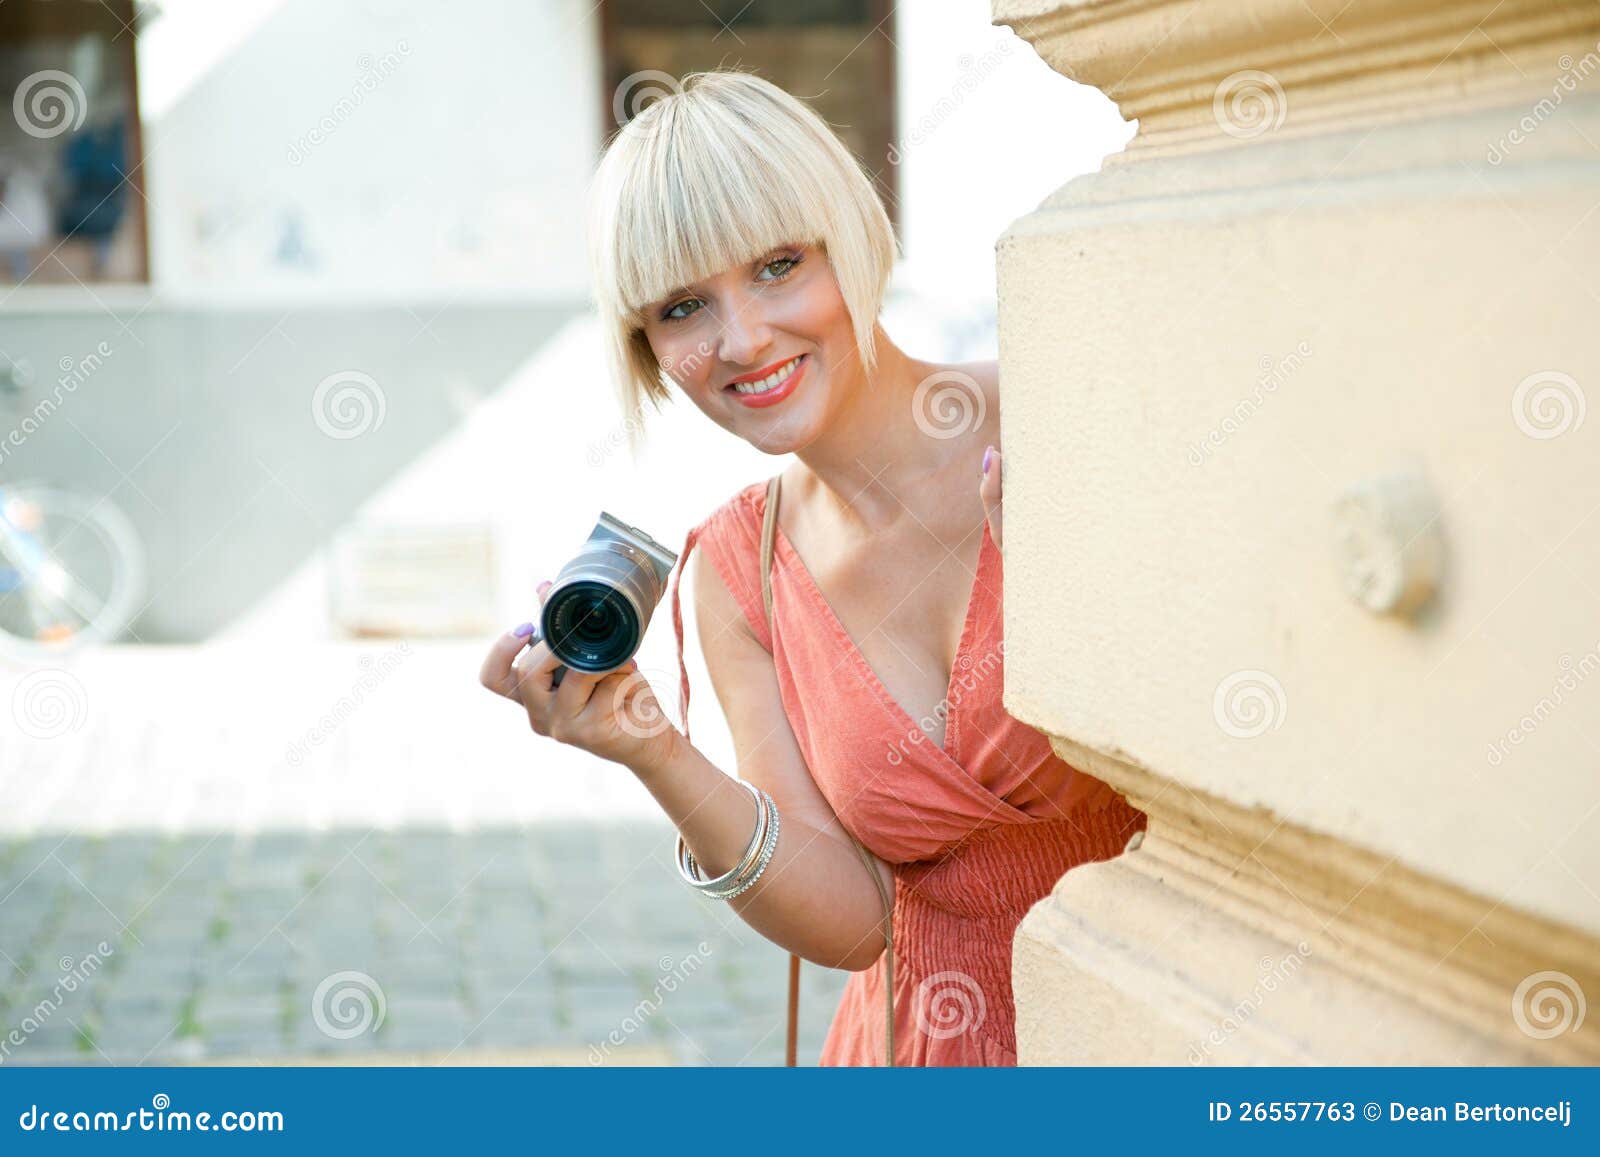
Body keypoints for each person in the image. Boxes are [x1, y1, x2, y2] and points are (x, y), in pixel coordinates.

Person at [479, 71, 1145, 1065]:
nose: (742, 339)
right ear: (648, 345)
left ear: (852, 238)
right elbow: (852, 922)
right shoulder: (733, 570)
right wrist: (650, 745)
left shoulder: (1061, 423)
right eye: (682, 306)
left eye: (779, 264)